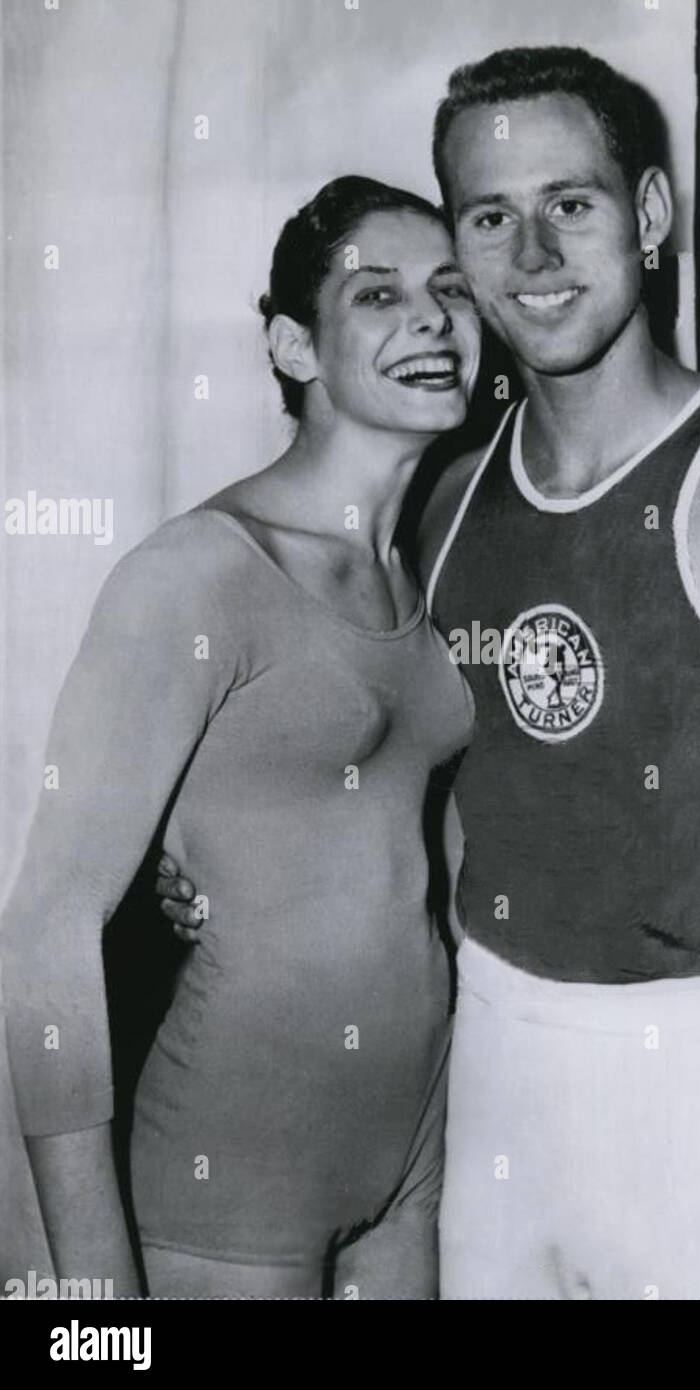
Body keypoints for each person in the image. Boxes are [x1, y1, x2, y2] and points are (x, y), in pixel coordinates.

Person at [161, 47, 700, 1300]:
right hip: (497, 1075)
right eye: (490, 217)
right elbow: (374, 764)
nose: (531, 253)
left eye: (569, 204)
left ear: (646, 216)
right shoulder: (437, 500)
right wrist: (206, 852)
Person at [1, 175, 479, 1298]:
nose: (430, 317)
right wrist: (92, 1299)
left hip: (407, 1152)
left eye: (450, 287)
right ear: (292, 345)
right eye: (377, 294)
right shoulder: (198, 572)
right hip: (231, 1171)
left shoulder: (419, 560)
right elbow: (47, 927)